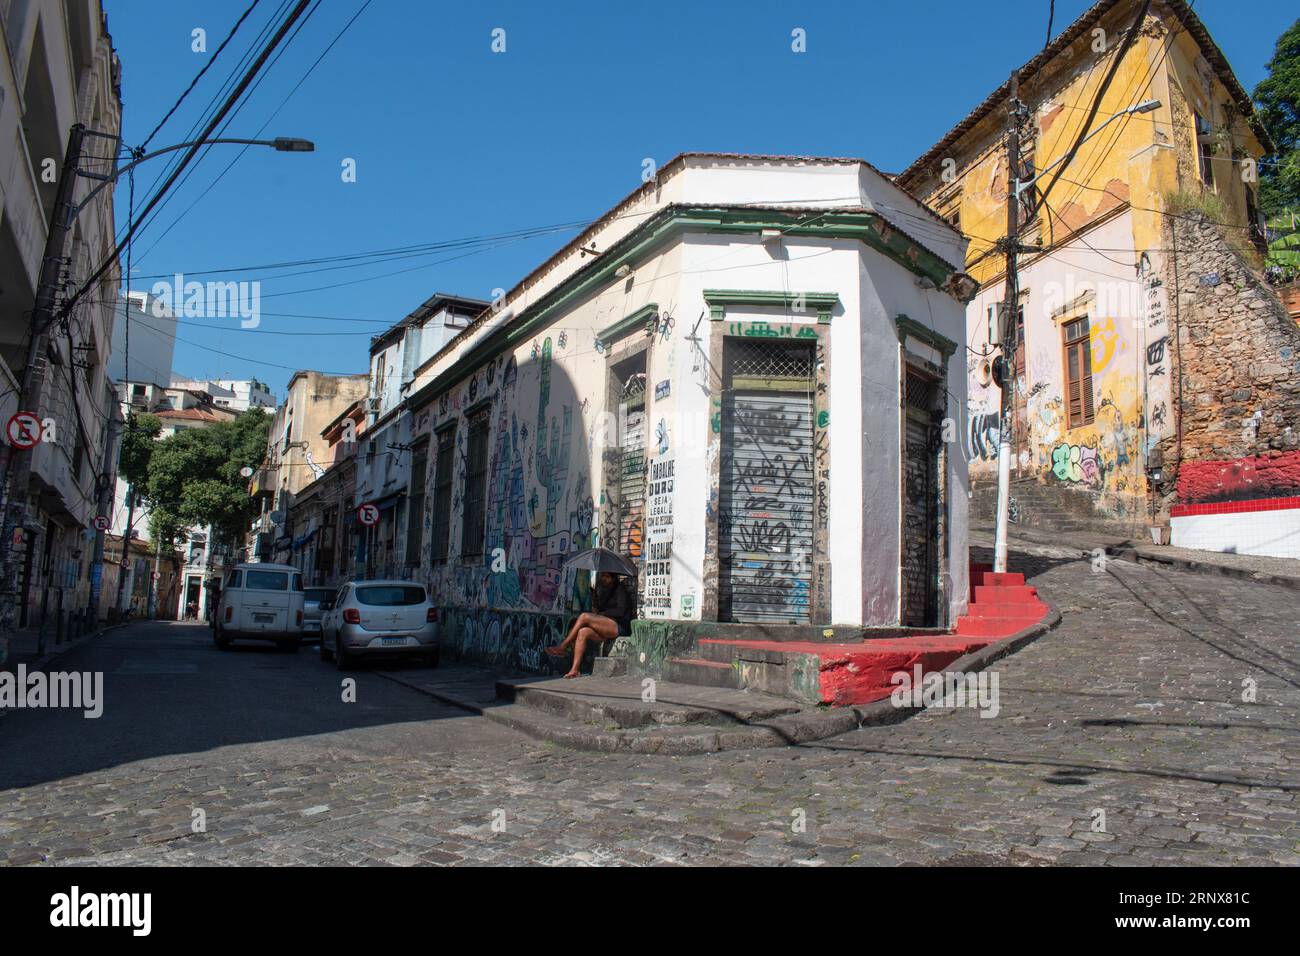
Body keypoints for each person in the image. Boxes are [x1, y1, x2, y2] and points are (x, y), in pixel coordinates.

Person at [546, 571, 635, 678]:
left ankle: (563, 647)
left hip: (619, 626)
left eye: (607, 577)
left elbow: (620, 611)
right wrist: (595, 600)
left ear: (613, 578)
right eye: (603, 576)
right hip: (606, 626)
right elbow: (598, 612)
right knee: (582, 632)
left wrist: (602, 614)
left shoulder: (620, 589)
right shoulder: (603, 589)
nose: (603, 579)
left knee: (584, 617)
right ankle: (574, 670)